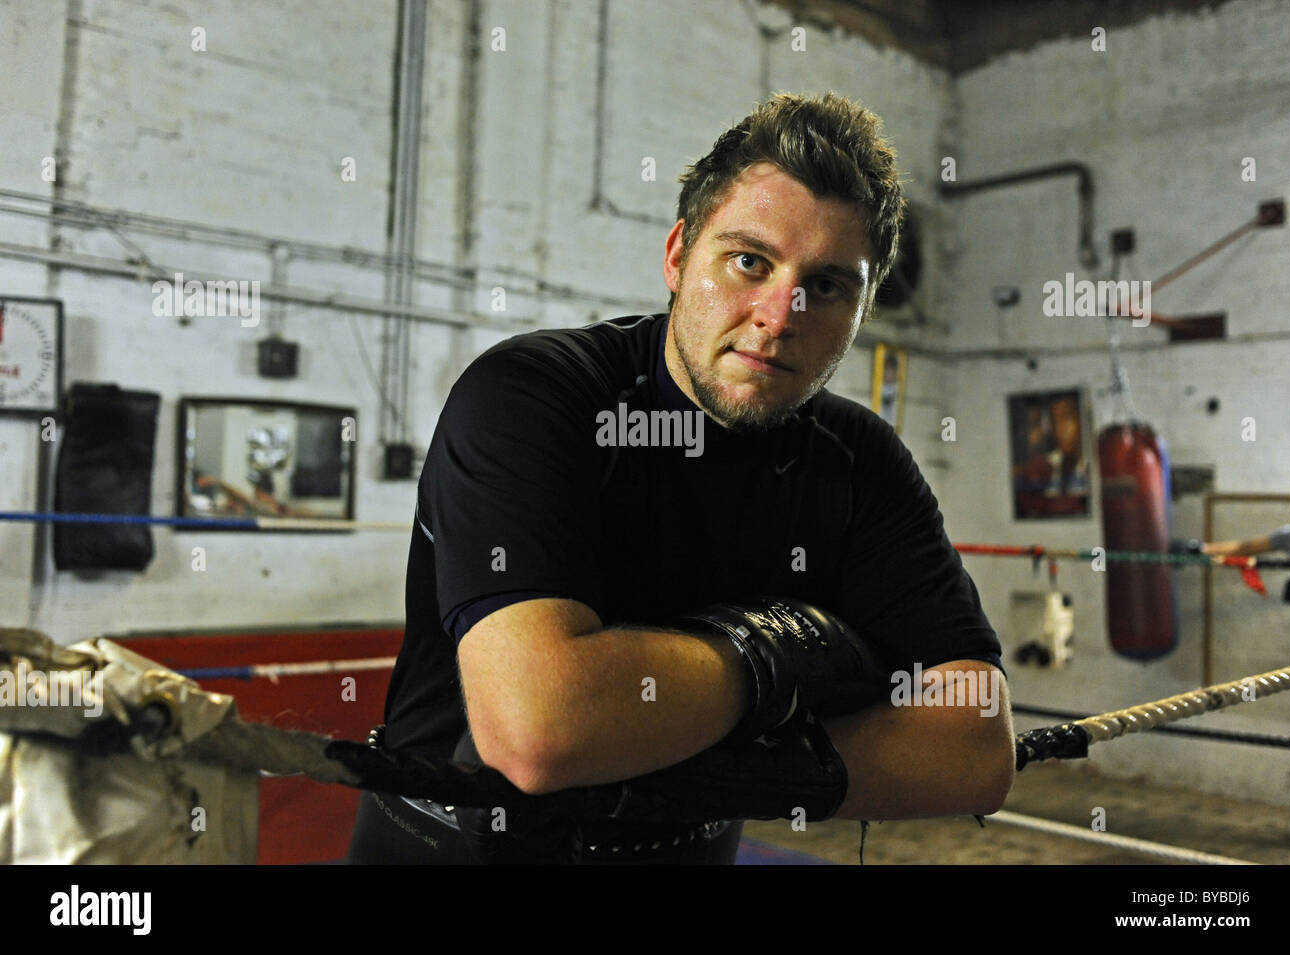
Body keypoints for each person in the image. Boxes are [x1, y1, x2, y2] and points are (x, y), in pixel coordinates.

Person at [347, 92, 1014, 865]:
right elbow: (540, 728)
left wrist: (669, 738)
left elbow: (975, 747)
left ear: (861, 310)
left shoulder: (859, 462)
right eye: (749, 261)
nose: (780, 313)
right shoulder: (534, 396)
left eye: (828, 286)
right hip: (446, 849)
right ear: (676, 256)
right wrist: (780, 654)